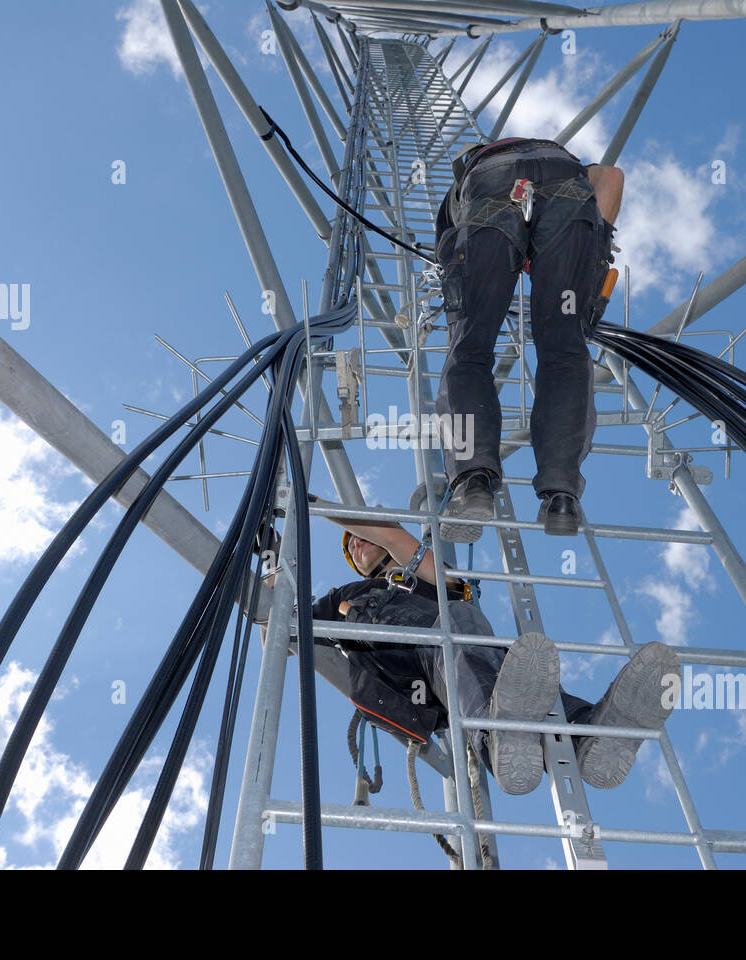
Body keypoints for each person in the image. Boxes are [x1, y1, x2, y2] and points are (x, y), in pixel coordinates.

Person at [264, 494, 679, 796]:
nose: (357, 540)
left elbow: (390, 535)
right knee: (457, 632)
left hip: (459, 669)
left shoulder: (429, 570)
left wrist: (307, 499)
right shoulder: (345, 592)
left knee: (500, 657)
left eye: (360, 532)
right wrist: (270, 565)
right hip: (400, 680)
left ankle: (591, 736)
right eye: (351, 543)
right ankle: (495, 739)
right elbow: (277, 632)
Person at [433, 137, 624, 542]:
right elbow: (610, 176)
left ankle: (473, 481)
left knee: (468, 348)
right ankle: (561, 495)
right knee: (566, 349)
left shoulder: (459, 192)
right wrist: (594, 250)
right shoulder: (555, 155)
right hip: (567, 187)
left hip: (489, 187)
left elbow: (453, 253)